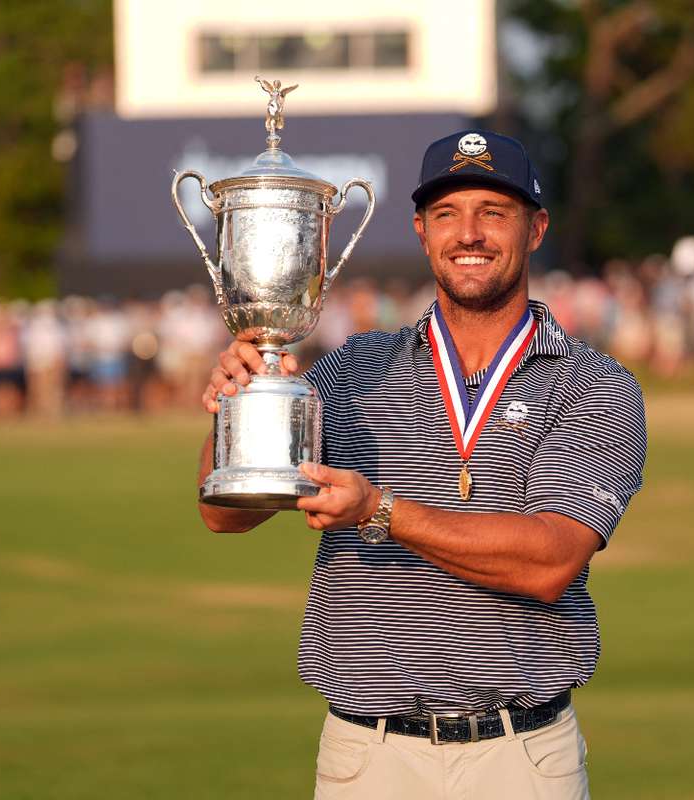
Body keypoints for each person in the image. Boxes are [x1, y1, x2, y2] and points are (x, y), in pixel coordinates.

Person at [199, 130, 647, 799]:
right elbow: (222, 516)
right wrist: (238, 410)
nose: (469, 233)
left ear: (536, 228)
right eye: (446, 214)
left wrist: (379, 511)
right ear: (421, 230)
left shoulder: (593, 385)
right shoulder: (354, 369)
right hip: (368, 757)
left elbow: (551, 560)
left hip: (519, 756)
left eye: (494, 212)